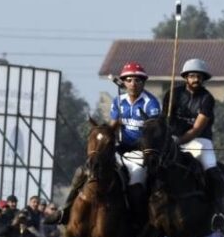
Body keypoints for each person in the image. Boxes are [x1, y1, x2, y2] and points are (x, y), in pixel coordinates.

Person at [46, 62, 161, 228]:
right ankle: (65, 211)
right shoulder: (118, 101)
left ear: (143, 82)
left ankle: (137, 223)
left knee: (135, 185)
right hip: (119, 149)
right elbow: (113, 126)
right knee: (83, 171)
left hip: (140, 153)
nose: (133, 84)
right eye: (129, 80)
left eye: (137, 80)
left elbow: (153, 131)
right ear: (124, 82)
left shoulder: (151, 103)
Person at [164, 58, 224, 232]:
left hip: (199, 140)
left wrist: (179, 141)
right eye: (192, 76)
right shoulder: (173, 95)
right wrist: (169, 138)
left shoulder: (207, 99)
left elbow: (197, 128)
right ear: (185, 77)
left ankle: (218, 212)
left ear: (203, 78)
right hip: (173, 139)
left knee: (211, 168)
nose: (195, 79)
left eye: (199, 76)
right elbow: (164, 120)